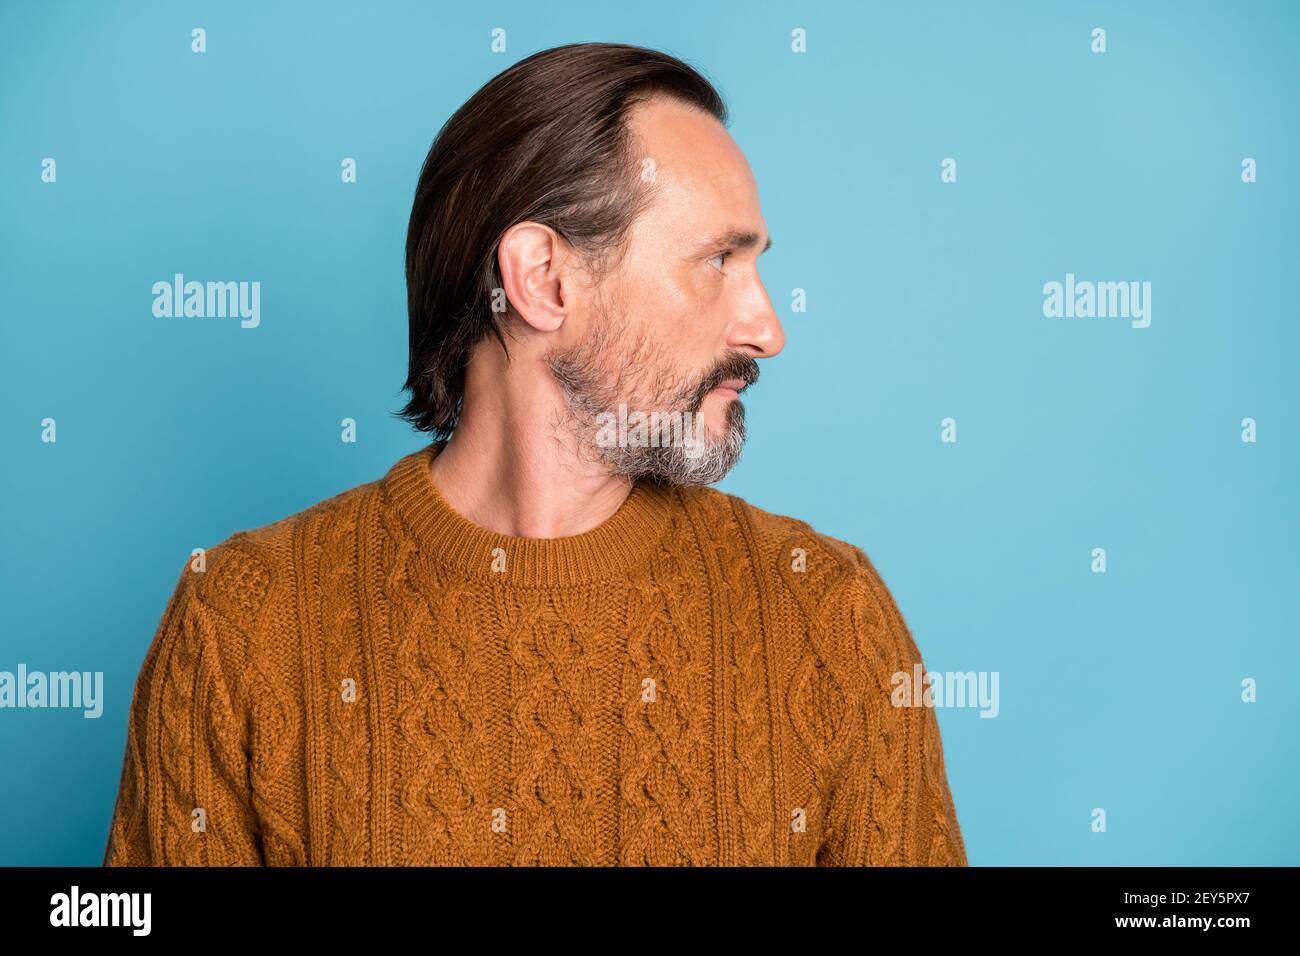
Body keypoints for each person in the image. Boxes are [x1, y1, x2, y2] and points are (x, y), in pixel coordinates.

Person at [103, 41, 966, 867]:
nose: (767, 331)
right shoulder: (242, 625)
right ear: (543, 278)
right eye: (717, 262)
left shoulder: (828, 616)